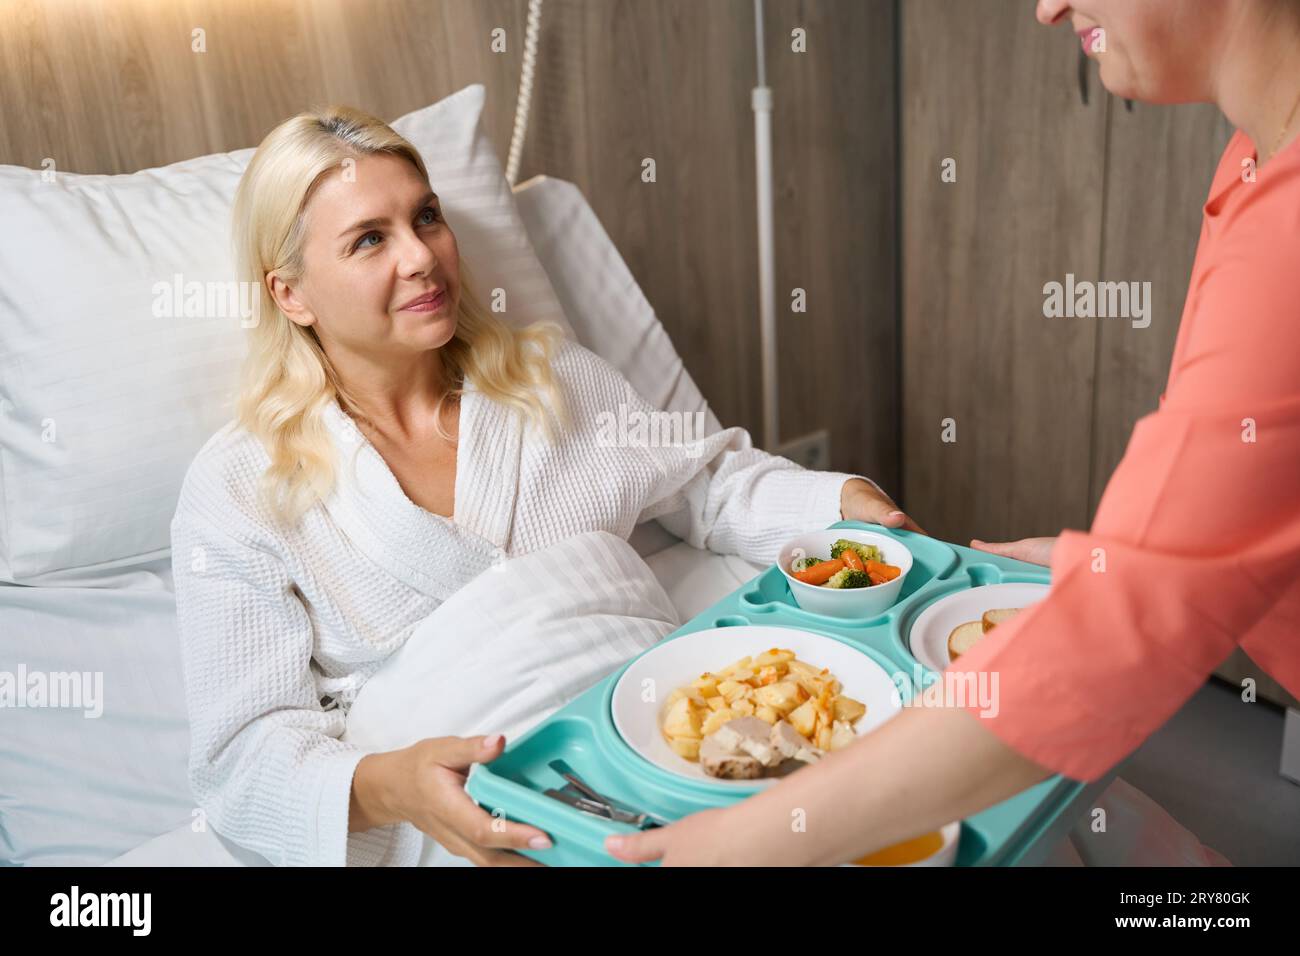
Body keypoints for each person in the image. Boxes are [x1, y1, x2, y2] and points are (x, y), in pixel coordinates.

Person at [607, 0, 1300, 867]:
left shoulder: (1285, 231)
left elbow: (1107, 652)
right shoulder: (1252, 160)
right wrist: (1145, 565)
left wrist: (743, 842)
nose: (1047, 8)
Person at [170, 105, 920, 866]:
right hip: (475, 827)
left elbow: (710, 484)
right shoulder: (242, 485)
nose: (421, 256)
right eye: (370, 239)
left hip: (683, 754)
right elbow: (242, 759)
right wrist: (394, 787)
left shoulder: (547, 377)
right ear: (290, 294)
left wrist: (842, 504)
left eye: (426, 218)